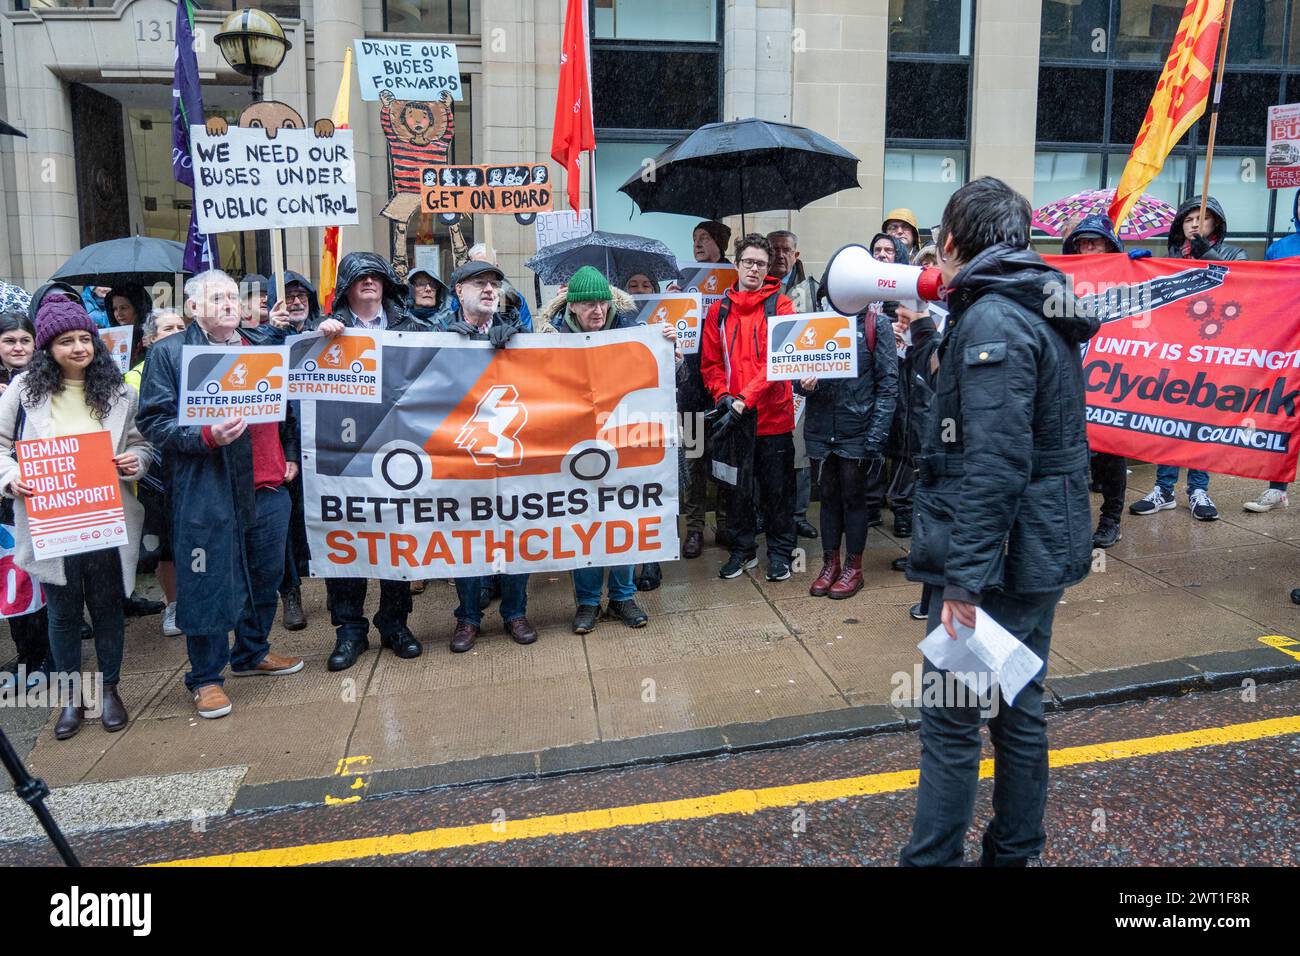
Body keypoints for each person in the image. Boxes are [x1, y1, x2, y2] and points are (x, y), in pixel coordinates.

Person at [899, 177, 1096, 867]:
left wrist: (962, 584)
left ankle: (933, 862)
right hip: (1041, 549)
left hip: (1002, 562)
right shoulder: (1033, 301)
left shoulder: (991, 319)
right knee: (1018, 708)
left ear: (951, 242)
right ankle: (1015, 852)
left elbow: (995, 464)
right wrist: (931, 342)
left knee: (951, 723)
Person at [137, 270, 304, 720]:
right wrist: (206, 436)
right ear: (193, 309)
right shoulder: (171, 354)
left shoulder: (259, 348)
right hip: (208, 491)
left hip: (268, 485)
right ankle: (206, 678)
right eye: (217, 298)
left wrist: (288, 452)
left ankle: (252, 652)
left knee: (265, 575)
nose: (230, 304)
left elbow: (286, 410)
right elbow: (153, 422)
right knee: (208, 582)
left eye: (233, 296)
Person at [0, 296, 151, 740]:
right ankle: (71, 697)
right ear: (48, 347)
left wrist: (134, 462)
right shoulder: (23, 392)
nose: (79, 347)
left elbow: (142, 444)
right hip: (51, 521)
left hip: (105, 518)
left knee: (107, 609)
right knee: (63, 615)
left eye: (85, 338)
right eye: (67, 341)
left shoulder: (120, 390)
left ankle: (109, 690)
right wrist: (13, 476)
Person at [308, 253, 432, 670]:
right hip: (343, 452)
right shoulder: (325, 331)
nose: (370, 282)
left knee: (396, 538)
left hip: (397, 452)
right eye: (360, 277)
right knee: (347, 539)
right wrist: (316, 339)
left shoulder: (410, 327)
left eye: (376, 276)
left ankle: (395, 623)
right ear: (345, 286)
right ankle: (349, 630)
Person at [541, 266, 678, 632]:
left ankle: (622, 596)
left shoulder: (631, 337)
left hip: (622, 448)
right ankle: (587, 602)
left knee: (620, 519)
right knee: (582, 521)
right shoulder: (549, 341)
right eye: (587, 304)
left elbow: (663, 376)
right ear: (571, 308)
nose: (597, 310)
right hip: (573, 450)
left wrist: (667, 345)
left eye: (602, 302)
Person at [433, 259, 539, 653]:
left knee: (515, 532)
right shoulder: (437, 334)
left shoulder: (516, 333)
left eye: (495, 283)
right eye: (479, 283)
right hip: (463, 455)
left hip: (511, 454)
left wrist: (520, 343)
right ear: (459, 291)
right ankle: (468, 617)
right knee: (468, 536)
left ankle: (515, 612)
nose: (490, 289)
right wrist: (446, 345)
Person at [1131, 196, 1246, 522]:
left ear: (1216, 225)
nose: (1195, 223)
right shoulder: (1168, 259)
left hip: (1212, 354)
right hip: (1173, 353)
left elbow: (1241, 285)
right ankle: (1164, 490)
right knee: (1171, 422)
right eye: (1189, 218)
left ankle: (1198, 490)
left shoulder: (1233, 255)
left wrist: (1207, 257)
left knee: (1201, 423)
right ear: (1179, 225)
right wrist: (1136, 266)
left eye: (1203, 218)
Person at [700, 233, 798, 582]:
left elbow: (778, 360)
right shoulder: (718, 310)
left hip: (773, 418)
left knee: (777, 492)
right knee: (737, 493)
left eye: (760, 263)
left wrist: (746, 399)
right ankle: (743, 552)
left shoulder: (781, 305)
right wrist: (722, 395)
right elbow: (710, 363)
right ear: (736, 265)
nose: (754, 269)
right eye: (748, 262)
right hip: (735, 418)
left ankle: (781, 553)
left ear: (768, 267)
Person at [799, 295, 897, 600]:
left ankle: (854, 568)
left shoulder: (875, 325)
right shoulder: (816, 324)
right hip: (821, 428)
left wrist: (876, 435)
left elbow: (888, 383)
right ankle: (831, 565)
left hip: (858, 428)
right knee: (828, 498)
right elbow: (793, 376)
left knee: (854, 498)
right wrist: (803, 384)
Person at [1061, 215, 1129, 549]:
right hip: (1072, 382)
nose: (1086, 247)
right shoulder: (1061, 281)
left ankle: (1111, 519)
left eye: (1094, 241)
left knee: (1111, 454)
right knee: (1073, 457)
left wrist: (1139, 270)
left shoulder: (1127, 281)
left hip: (1111, 383)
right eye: (1081, 242)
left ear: (1110, 245)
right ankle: (1073, 521)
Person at [124, 309, 187, 636]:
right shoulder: (134, 378)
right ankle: (174, 605)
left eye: (181, 326)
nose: (176, 332)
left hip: (191, 468)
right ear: (149, 339)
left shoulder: (197, 364)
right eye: (167, 328)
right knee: (164, 546)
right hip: (155, 475)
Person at [266, 272, 320, 629]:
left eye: (301, 295)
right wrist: (272, 334)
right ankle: (291, 592)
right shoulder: (260, 341)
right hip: (283, 446)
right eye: (287, 297)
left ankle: (334, 580)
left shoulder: (324, 335)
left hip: (323, 441)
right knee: (285, 524)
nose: (296, 302)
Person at [0, 311, 49, 688]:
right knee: (14, 579)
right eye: (9, 341)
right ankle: (27, 654)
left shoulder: (50, 379)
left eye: (24, 340)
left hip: (46, 490)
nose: (17, 347)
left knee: (45, 576)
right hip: (7, 492)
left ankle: (48, 656)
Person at [680, 219, 734, 559]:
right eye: (695, 238)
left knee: (726, 461)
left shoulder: (736, 280)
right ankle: (695, 529)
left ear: (721, 242)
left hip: (727, 388)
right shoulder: (686, 281)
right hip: (692, 389)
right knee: (695, 460)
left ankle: (727, 523)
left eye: (705, 238)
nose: (698, 243)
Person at [860, 232, 915, 538]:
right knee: (874, 438)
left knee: (904, 442)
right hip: (872, 377)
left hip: (904, 377)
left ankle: (904, 509)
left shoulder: (907, 290)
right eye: (877, 249)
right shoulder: (861, 289)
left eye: (888, 250)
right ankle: (870, 504)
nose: (881, 254)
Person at [768, 229, 819, 542]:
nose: (779, 256)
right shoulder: (759, 289)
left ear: (795, 255)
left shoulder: (810, 291)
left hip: (800, 383)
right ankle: (769, 513)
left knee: (800, 454)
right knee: (770, 454)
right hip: (768, 384)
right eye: (774, 250)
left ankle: (799, 515)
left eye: (786, 249)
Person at [621, 270, 665, 591]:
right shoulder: (614, 323)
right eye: (632, 285)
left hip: (655, 418)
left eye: (645, 284)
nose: (639, 290)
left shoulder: (666, 319)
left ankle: (651, 559)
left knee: (654, 491)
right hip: (622, 421)